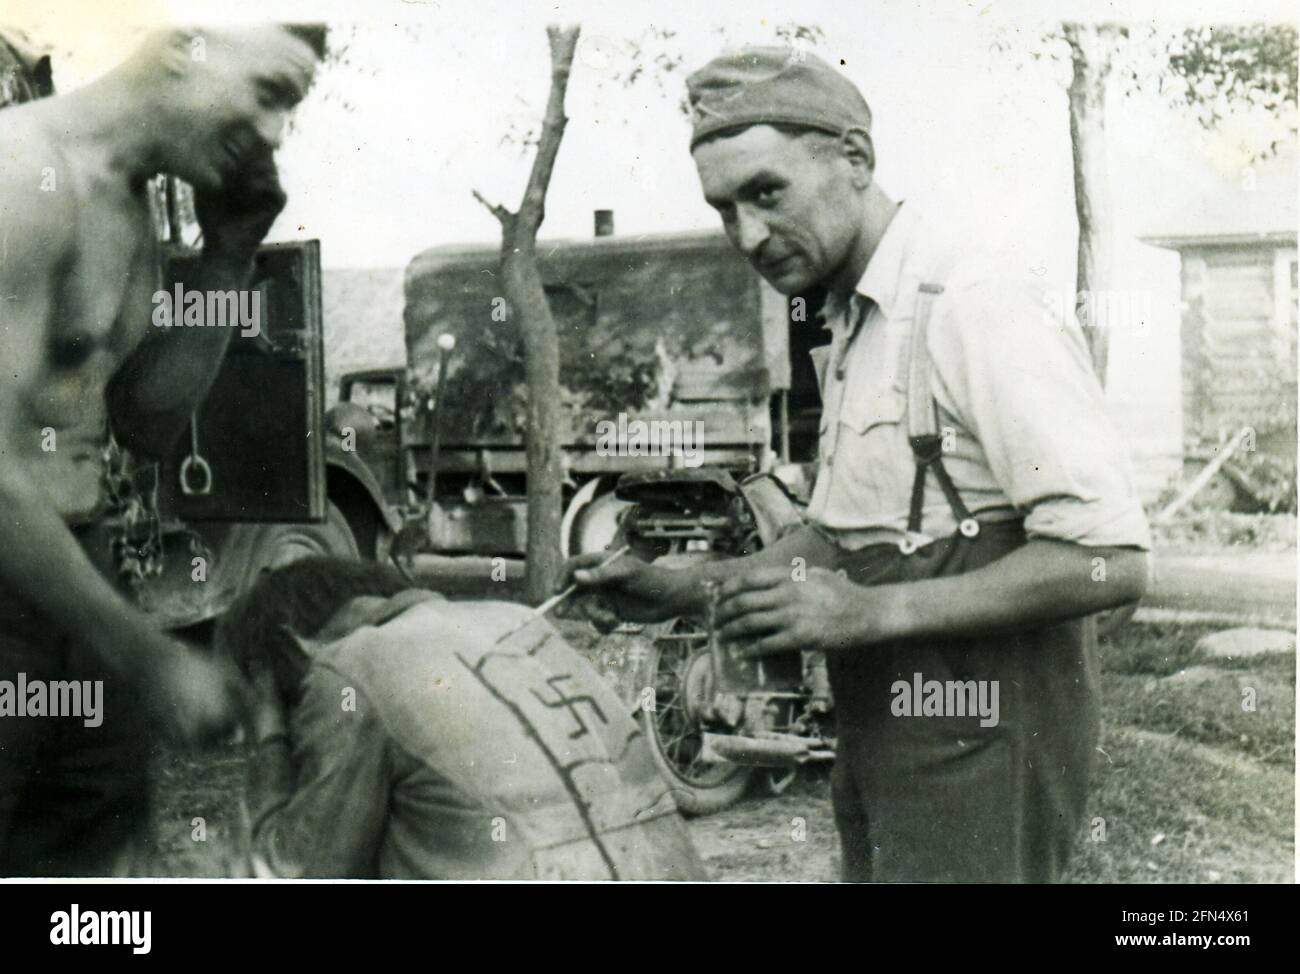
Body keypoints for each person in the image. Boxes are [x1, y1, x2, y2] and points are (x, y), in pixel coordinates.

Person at [564, 47, 1152, 882]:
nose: (748, 236)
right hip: (887, 737)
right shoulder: (854, 322)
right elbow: (841, 544)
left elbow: (1110, 562)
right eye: (725, 208)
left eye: (766, 193)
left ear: (855, 159)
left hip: (986, 743)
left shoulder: (972, 302)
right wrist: (687, 587)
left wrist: (870, 617)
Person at [0, 23, 325, 876]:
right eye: (269, 91)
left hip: (73, 575)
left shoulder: (130, 201)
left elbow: (142, 422)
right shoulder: (20, 176)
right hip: (20, 582)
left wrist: (228, 257)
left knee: (81, 866)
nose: (274, 133)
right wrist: (143, 653)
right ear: (187, 45)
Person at [216, 557, 708, 881]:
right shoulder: (514, 617)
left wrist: (270, 735)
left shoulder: (347, 666)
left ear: (286, 647)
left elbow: (294, 872)